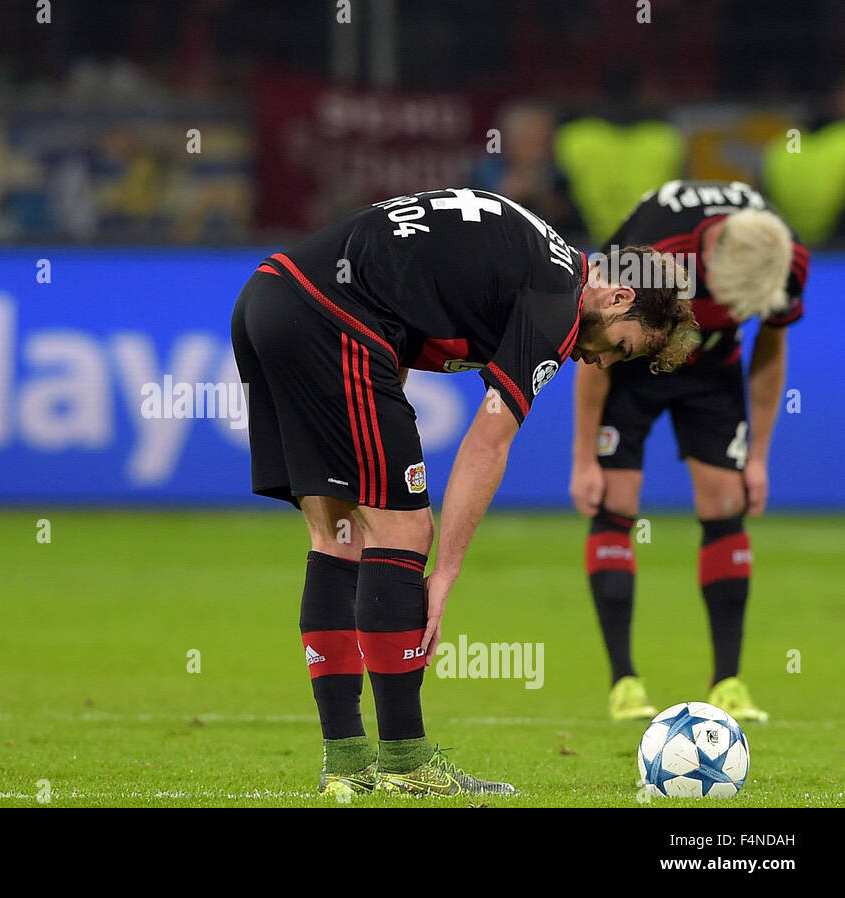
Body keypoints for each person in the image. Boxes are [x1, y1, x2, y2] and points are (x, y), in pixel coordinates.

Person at [231, 187, 696, 796]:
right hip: (332, 320)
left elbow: (401, 291)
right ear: (619, 296)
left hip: (269, 297)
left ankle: (345, 763)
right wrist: (443, 573)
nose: (604, 363)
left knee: (340, 533)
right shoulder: (558, 304)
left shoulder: (542, 256)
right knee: (406, 531)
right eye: (623, 346)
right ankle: (406, 761)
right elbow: (487, 442)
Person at [570, 180, 806, 724]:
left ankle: (728, 682)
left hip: (713, 373)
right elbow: (592, 341)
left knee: (728, 504)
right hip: (629, 363)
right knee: (616, 500)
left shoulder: (784, 259)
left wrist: (760, 457)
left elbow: (771, 347)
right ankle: (623, 683)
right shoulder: (655, 255)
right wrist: (584, 457)